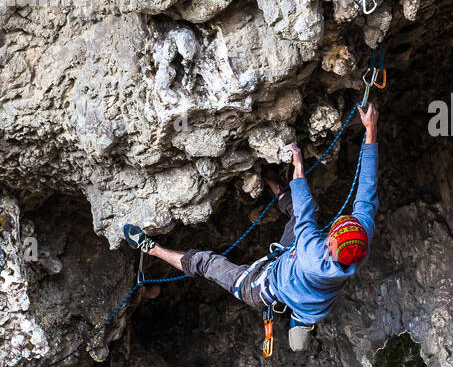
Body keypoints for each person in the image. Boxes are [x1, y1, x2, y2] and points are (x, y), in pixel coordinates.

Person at [122, 104, 380, 352]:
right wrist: (370, 129)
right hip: (304, 289)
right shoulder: (359, 241)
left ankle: (153, 249)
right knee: (301, 327)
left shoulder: (312, 251)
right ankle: (274, 182)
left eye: (332, 232)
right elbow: (367, 189)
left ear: (330, 244)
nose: (333, 226)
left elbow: (305, 210)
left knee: (206, 263)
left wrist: (298, 164)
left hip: (260, 287)